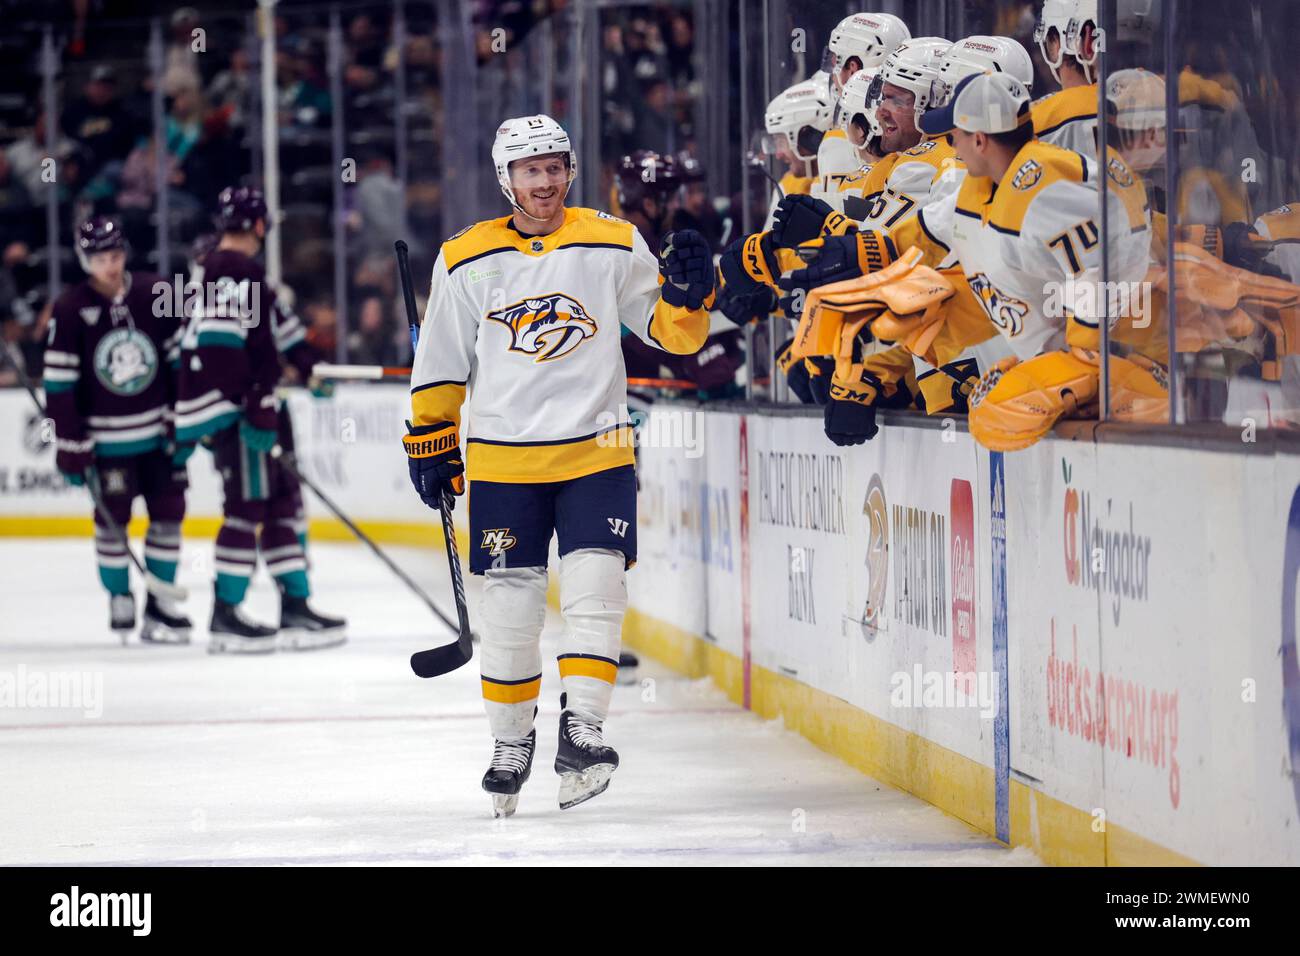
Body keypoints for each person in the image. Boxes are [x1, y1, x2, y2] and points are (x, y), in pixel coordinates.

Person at [403, 114, 713, 816]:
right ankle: (511, 742)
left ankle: (584, 733)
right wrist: (430, 438)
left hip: (598, 451)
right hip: (505, 464)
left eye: (554, 166)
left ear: (570, 170)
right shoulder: (464, 258)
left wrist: (693, 298)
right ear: (504, 177)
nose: (544, 180)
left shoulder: (612, 239)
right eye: (529, 169)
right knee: (511, 610)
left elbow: (670, 332)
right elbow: (443, 360)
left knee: (596, 593)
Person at [175, 186, 346, 653]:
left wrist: (313, 367)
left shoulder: (242, 274)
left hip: (255, 407)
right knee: (248, 507)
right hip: (239, 415)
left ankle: (295, 604)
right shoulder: (231, 269)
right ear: (257, 225)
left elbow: (282, 334)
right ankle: (226, 612)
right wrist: (255, 402)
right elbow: (216, 346)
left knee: (277, 505)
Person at [42, 217, 191, 641]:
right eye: (101, 258)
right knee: (112, 523)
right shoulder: (70, 309)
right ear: (85, 260)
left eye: (117, 255)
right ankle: (119, 595)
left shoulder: (154, 292)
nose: (111, 265)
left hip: (158, 438)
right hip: (107, 446)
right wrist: (69, 442)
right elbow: (59, 385)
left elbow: (180, 362)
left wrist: (181, 421)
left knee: (169, 516)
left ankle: (161, 605)